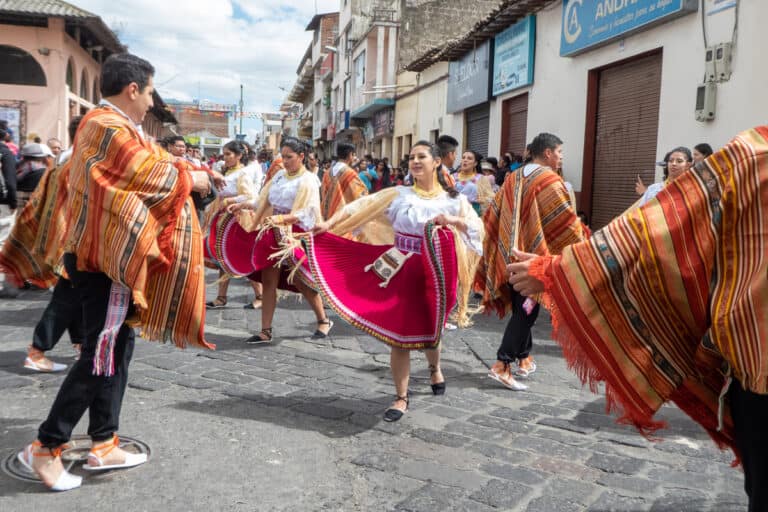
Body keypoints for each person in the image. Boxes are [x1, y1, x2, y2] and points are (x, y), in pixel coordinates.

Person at [505, 126, 768, 511]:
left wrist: (561, 270)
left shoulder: (753, 156)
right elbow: (651, 232)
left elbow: (656, 237)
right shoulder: (753, 158)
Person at [7, 53, 213, 491]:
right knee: (100, 355)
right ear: (133, 89)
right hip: (103, 263)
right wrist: (192, 180)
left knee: (116, 351)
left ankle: (103, 442)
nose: (152, 100)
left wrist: (190, 172)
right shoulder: (106, 124)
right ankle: (45, 447)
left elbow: (155, 162)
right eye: (151, 91)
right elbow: (147, 172)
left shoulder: (118, 126)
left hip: (108, 261)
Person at [308, 140, 483, 421]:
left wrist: (453, 221)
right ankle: (401, 396)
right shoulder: (399, 194)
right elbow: (361, 207)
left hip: (434, 272)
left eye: (421, 156)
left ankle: (434, 368)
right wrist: (329, 225)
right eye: (411, 157)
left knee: (431, 330)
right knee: (399, 337)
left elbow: (476, 229)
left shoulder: (454, 200)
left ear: (437, 162)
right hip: (400, 268)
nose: (414, 161)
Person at [475, 132, 587, 391]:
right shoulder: (550, 180)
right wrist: (582, 242)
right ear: (547, 153)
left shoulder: (513, 177)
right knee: (528, 309)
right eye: (559, 152)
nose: (561, 158)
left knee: (522, 307)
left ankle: (524, 358)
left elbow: (494, 211)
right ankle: (502, 364)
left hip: (509, 255)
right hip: (532, 259)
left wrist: (497, 243)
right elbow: (565, 222)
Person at [226, 137, 332, 343]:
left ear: (301, 157)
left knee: (301, 280)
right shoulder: (279, 177)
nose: (285, 161)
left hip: (295, 234)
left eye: (289, 157)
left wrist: (282, 218)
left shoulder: (308, 180)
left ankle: (323, 319)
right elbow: (262, 200)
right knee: (268, 281)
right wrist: (244, 205)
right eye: (283, 157)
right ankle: (265, 330)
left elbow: (307, 212)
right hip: (273, 232)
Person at [17, 115, 86, 373]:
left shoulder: (65, 157)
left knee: (73, 294)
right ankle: (37, 351)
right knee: (67, 296)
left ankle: (80, 345)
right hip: (72, 239)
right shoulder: (75, 159)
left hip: (66, 238)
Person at [203, 140, 263, 310]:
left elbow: (250, 196)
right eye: (225, 154)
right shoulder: (227, 172)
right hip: (223, 219)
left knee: (241, 257)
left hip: (237, 221)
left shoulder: (242, 174)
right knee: (223, 256)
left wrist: (230, 200)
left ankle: (260, 295)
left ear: (239, 156)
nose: (226, 157)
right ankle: (221, 297)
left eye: (229, 154)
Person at [321, 142, 368, 221]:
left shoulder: (327, 173)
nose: (354, 158)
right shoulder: (350, 174)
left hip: (327, 216)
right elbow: (361, 196)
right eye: (354, 155)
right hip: (343, 217)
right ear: (350, 155)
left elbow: (323, 193)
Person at [452, 150, 494, 215]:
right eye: (463, 157)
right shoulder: (452, 177)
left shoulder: (481, 178)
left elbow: (492, 198)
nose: (465, 160)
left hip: (473, 214)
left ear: (475, 163)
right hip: (454, 213)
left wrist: (483, 200)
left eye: (469, 158)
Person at [16, 143, 54, 209]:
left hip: (16, 208)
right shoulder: (43, 172)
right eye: (49, 157)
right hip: (32, 209)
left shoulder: (18, 168)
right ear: (44, 158)